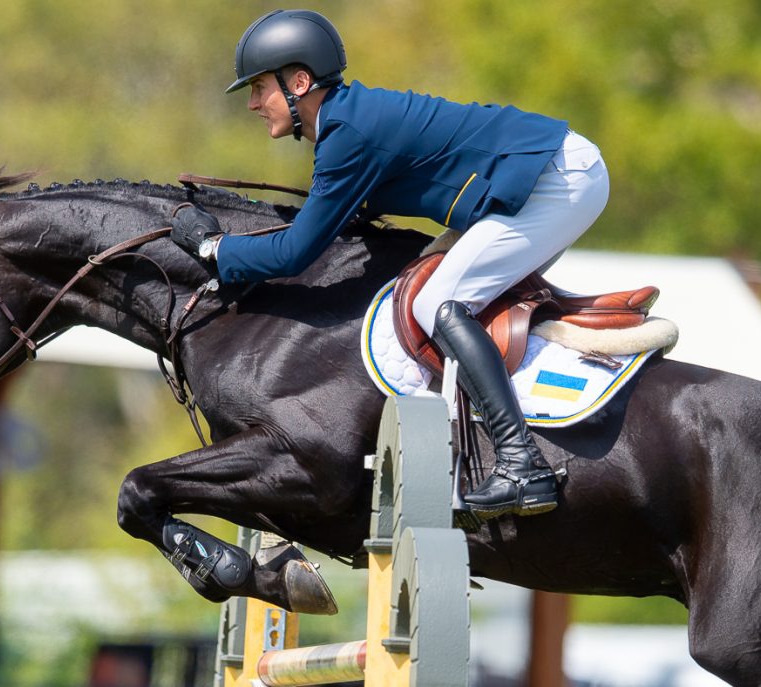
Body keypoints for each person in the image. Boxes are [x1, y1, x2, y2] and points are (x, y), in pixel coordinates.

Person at [171, 9, 609, 521]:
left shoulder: (348, 135)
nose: (251, 103)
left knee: (439, 303)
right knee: (448, 296)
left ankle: (521, 463)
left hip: (555, 181)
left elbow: (294, 254)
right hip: (541, 178)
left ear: (300, 82)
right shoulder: (345, 122)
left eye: (259, 87)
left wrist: (214, 249)